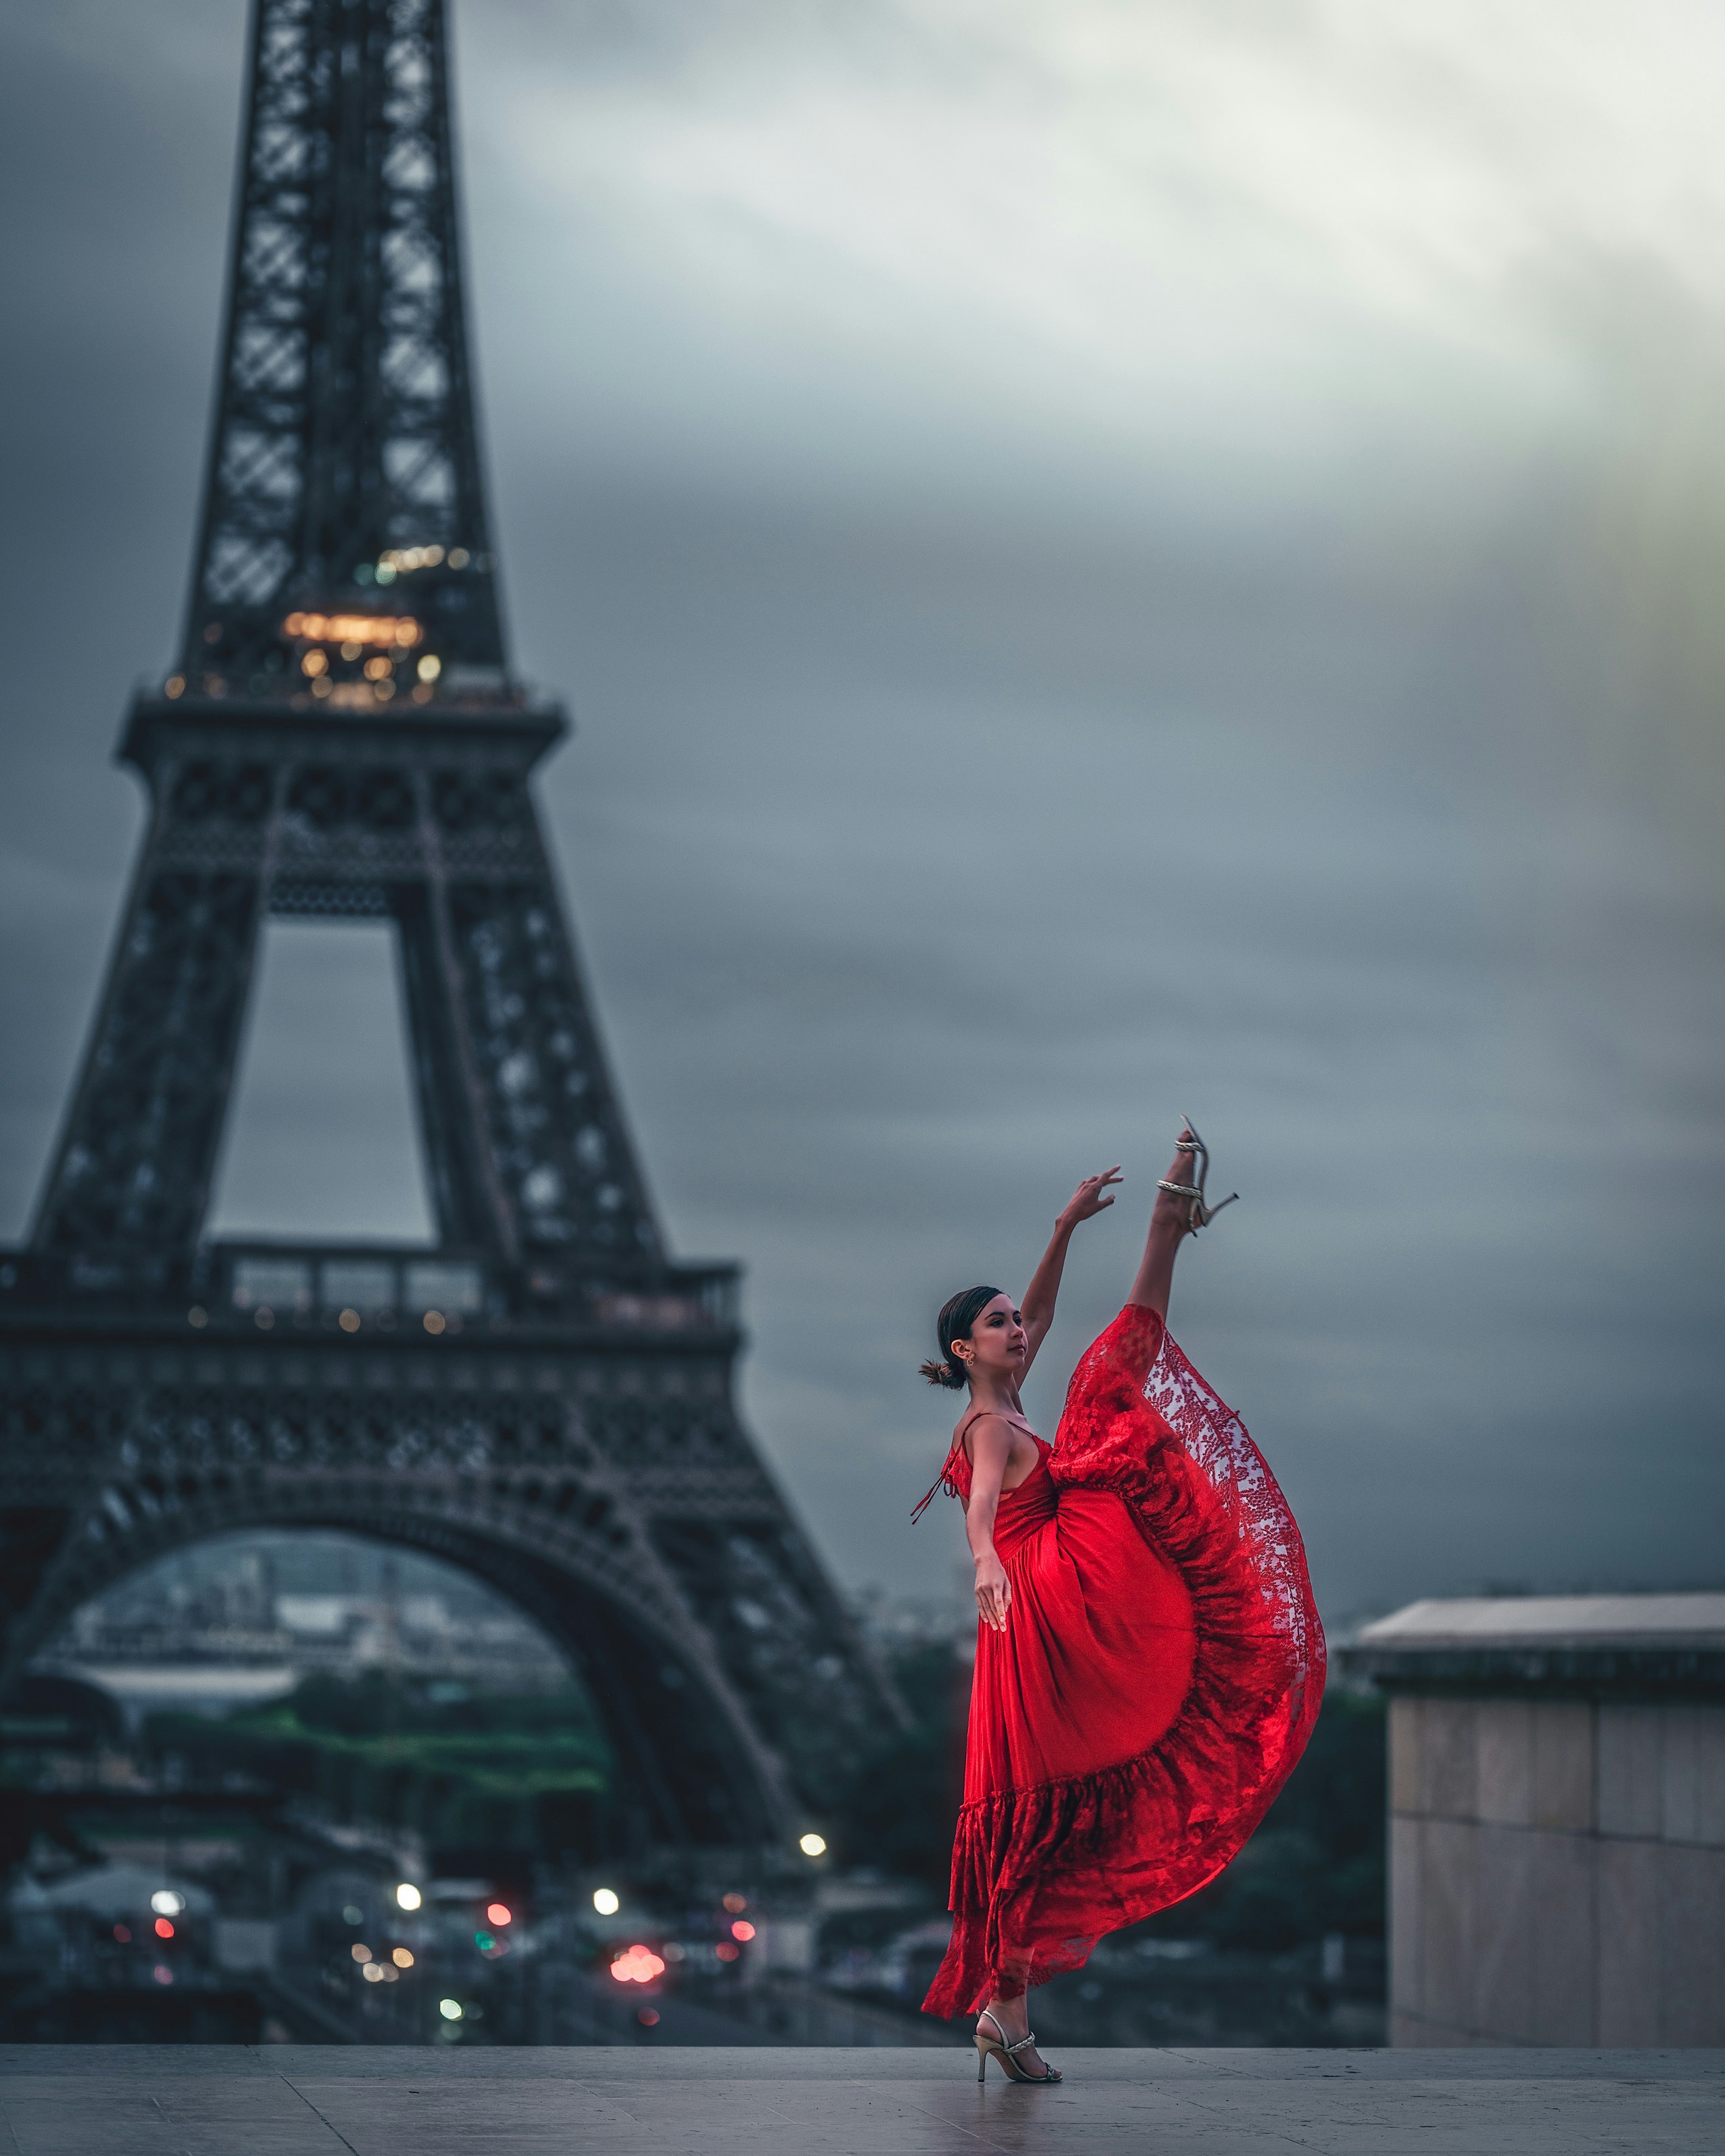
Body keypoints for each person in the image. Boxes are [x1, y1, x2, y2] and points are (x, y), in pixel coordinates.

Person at [913, 1123, 1324, 2082]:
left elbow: (1049, 1306)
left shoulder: (1008, 1396)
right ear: (963, 1349)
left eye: (1017, 1320)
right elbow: (978, 1509)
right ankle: (1164, 1226)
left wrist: (1061, 1226)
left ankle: (1003, 2014)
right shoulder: (988, 1423)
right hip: (1038, 1600)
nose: (1020, 1329)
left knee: (1039, 1824)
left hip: (1043, 1598)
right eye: (1001, 1325)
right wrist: (982, 1563)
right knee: (1109, 1389)